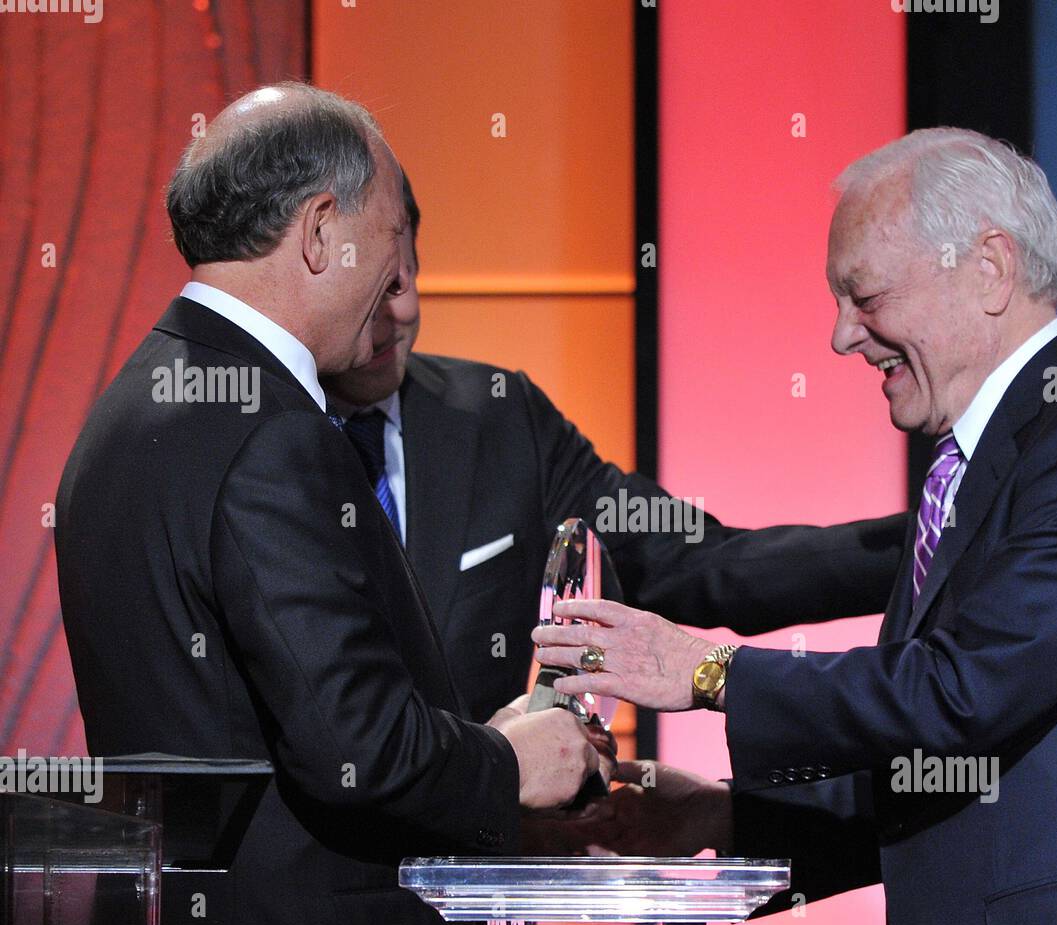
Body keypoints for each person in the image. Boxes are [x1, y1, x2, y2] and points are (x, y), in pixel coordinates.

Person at [534, 128, 1057, 925]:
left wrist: (708, 672)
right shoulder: (985, 464)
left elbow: (964, 692)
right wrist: (722, 814)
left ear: (989, 269)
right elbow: (955, 768)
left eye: (863, 295)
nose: (839, 337)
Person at [56, 83, 603, 925]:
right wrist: (507, 759)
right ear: (320, 234)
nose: (402, 288)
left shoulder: (130, 408)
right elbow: (353, 741)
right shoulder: (274, 430)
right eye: (392, 243)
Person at [316, 170, 908, 727]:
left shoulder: (497, 414)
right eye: (374, 293)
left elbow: (698, 561)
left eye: (405, 281)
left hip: (468, 831)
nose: (398, 315)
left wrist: (927, 546)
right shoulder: (252, 430)